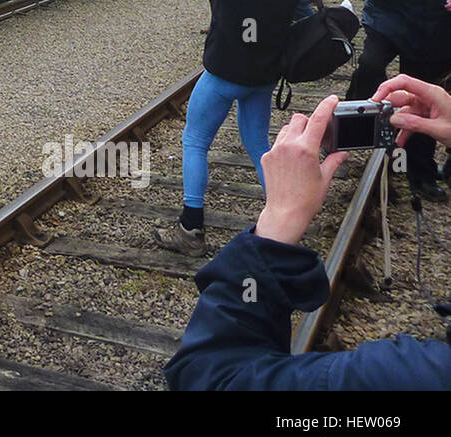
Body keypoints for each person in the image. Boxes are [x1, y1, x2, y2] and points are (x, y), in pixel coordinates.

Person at [164, 90, 451, 390]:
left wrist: (280, 217)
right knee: (255, 138)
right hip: (259, 75)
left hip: (227, 70)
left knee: (196, 139)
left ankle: (193, 223)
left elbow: (211, 375)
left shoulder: (411, 376)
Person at [157, 0, 306, 255]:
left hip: (225, 72)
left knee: (195, 141)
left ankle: (190, 228)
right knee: (257, 143)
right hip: (265, 73)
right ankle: (282, 217)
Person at [343, 0, 451, 201]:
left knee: (425, 99)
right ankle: (346, 131)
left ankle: (420, 172)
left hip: (434, 29)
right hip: (390, 20)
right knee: (370, 66)